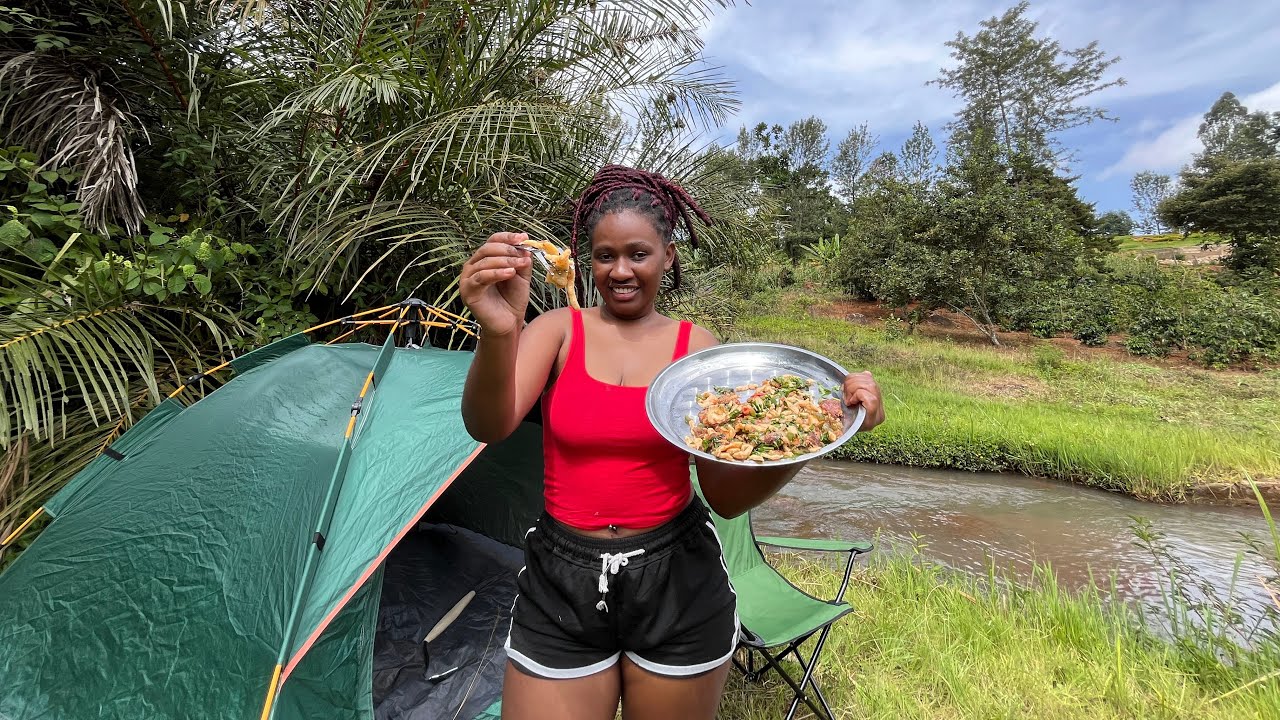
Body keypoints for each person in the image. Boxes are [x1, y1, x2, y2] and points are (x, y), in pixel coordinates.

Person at [459, 165, 884, 720]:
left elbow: (725, 497)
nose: (620, 271)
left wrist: (812, 436)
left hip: (676, 578)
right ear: (588, 261)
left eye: (638, 253)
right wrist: (498, 331)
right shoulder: (558, 331)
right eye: (605, 256)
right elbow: (487, 426)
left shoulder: (697, 351)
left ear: (669, 256)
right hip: (562, 577)